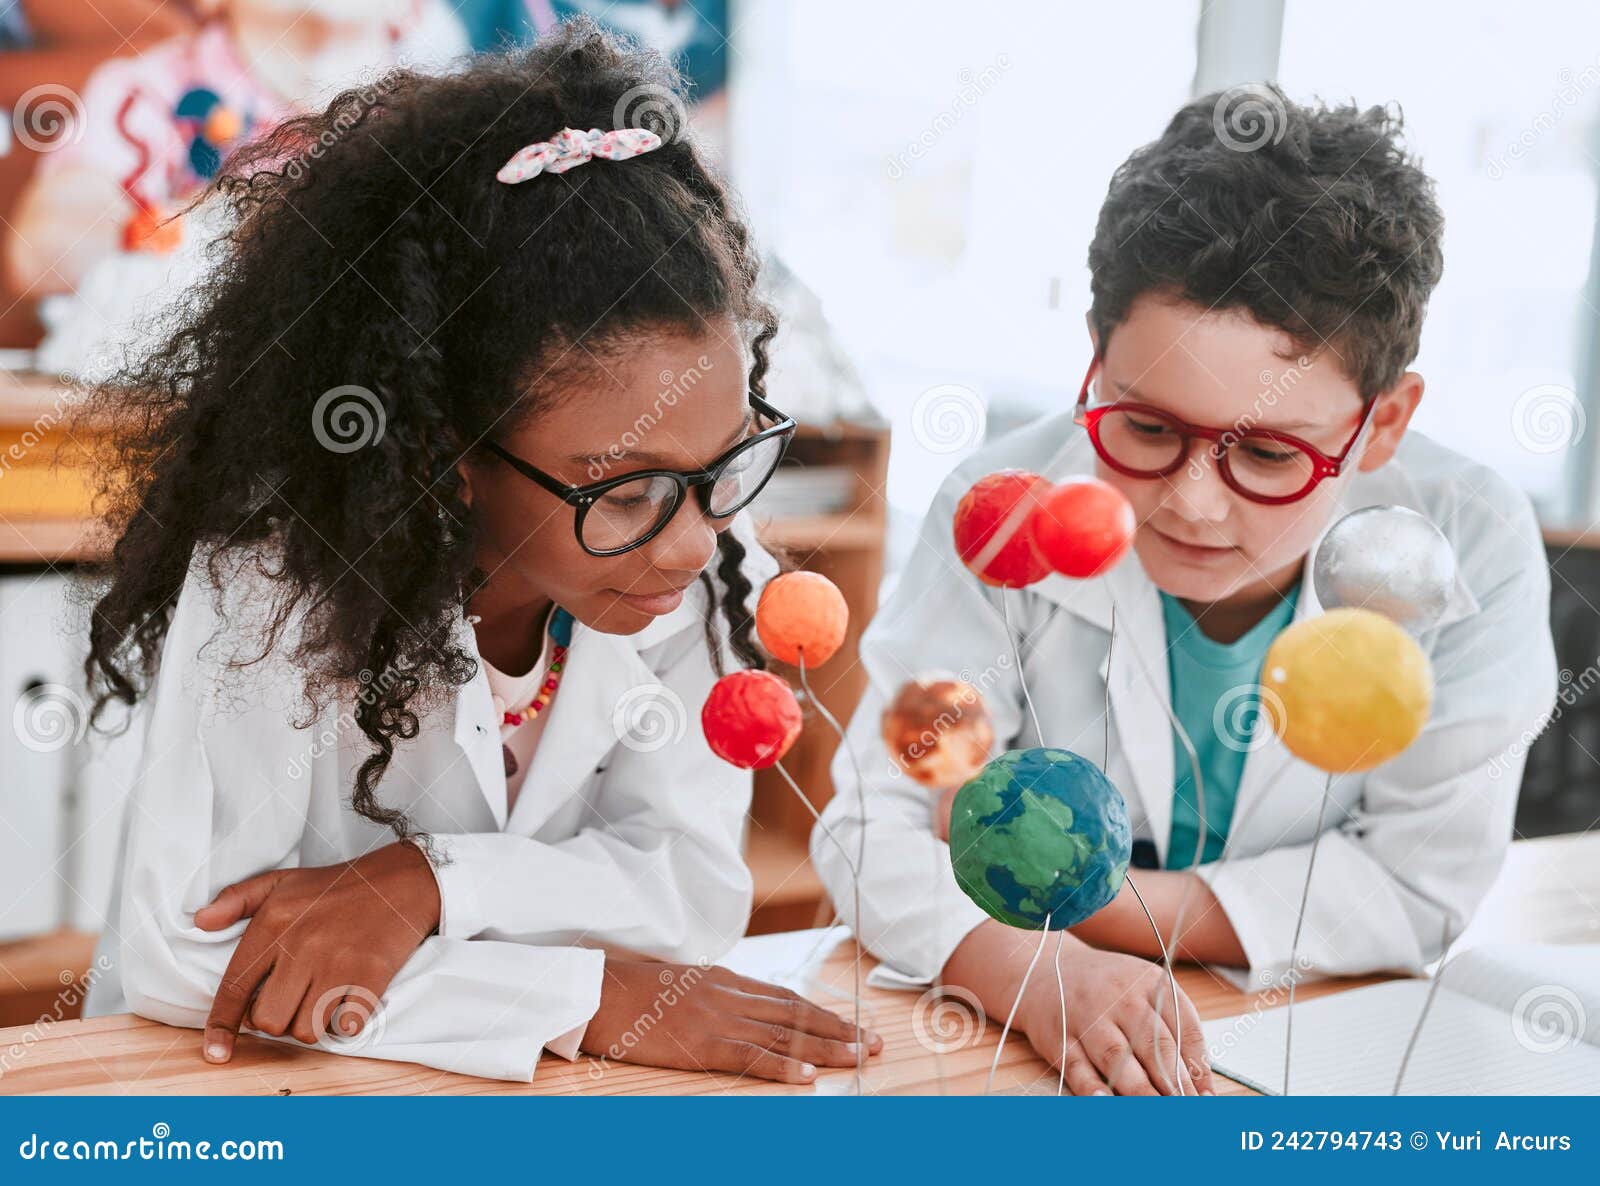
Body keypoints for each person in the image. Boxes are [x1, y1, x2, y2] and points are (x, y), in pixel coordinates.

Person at [80, 18, 881, 1086]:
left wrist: (425, 883)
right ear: (452, 452)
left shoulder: (688, 583)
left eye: (724, 463)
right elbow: (188, 957)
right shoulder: (274, 578)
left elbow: (687, 892)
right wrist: (583, 991)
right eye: (627, 486)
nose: (693, 541)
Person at [812, 86, 1557, 1096]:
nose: (1193, 505)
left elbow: (1417, 887)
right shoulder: (1003, 515)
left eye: (1263, 451)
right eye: (1147, 428)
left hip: (1311, 1038)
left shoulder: (1470, 539)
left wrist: (1092, 904)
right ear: (1096, 361)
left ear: (1380, 426)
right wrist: (1024, 966)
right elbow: (868, 819)